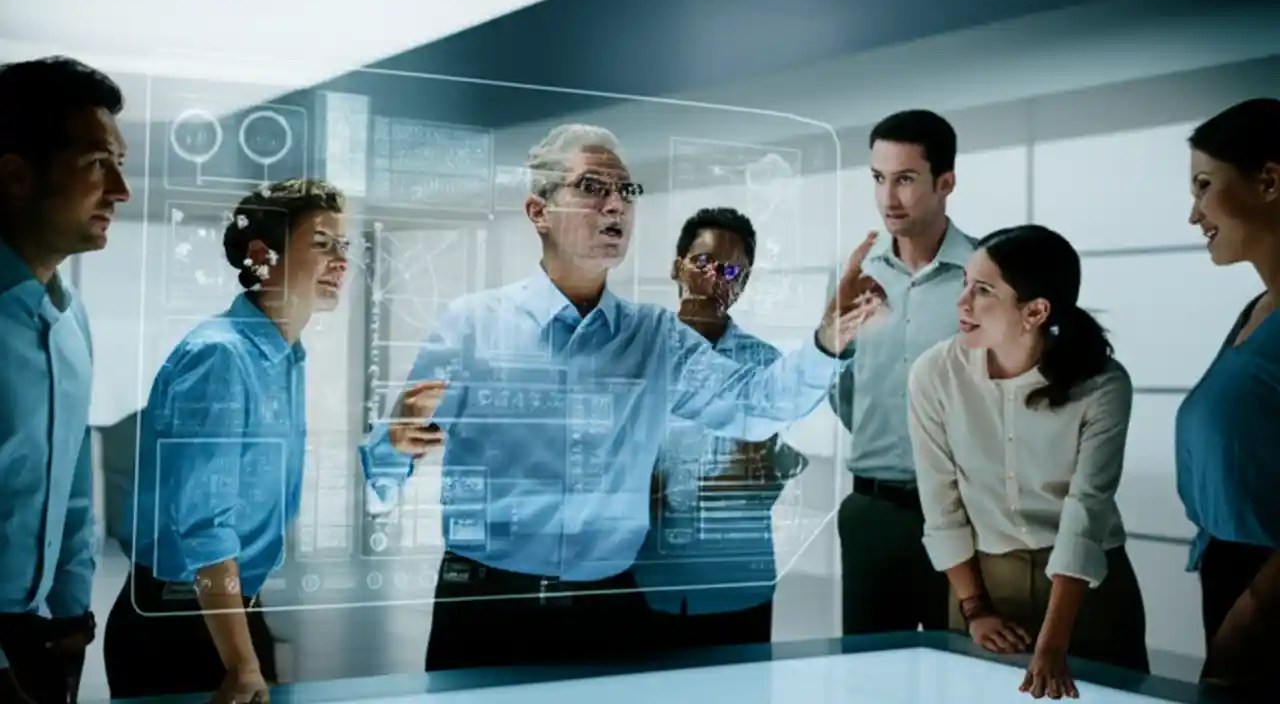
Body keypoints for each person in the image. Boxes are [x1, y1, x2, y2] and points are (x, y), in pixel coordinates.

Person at [362, 123, 879, 672]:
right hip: (486, 610)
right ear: (539, 212)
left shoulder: (655, 338)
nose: (617, 206)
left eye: (626, 192)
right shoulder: (472, 325)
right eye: (592, 188)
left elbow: (754, 406)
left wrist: (829, 339)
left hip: (605, 614)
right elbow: (381, 477)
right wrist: (395, 442)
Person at [103, 179, 349, 703]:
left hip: (228, 614)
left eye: (344, 246)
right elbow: (204, 528)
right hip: (180, 628)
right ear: (262, 256)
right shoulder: (221, 357)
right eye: (324, 243)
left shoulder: (284, 355)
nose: (342, 261)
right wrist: (241, 663)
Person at [907, 224, 1149, 699]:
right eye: (964, 285)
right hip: (984, 583)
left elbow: (1086, 511)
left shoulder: (1102, 385)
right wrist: (975, 609)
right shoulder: (935, 374)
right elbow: (941, 504)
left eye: (983, 291)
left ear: (1035, 311)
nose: (962, 304)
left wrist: (1055, 642)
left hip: (1088, 590)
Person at [0, 56, 131, 704]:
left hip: (47, 641)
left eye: (119, 165)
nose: (120, 192)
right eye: (96, 165)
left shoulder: (69, 315)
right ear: (16, 174)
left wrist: (73, 622)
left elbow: (72, 479)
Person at [630, 207, 809, 651]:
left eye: (731, 271)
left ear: (743, 285)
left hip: (734, 584)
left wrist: (765, 473)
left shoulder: (767, 365)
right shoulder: (631, 354)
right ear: (677, 267)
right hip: (641, 579)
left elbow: (783, 465)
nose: (715, 279)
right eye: (703, 262)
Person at [828, 109, 973, 635]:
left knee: (955, 674)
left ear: (946, 182)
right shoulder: (854, 275)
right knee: (866, 679)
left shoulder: (982, 275)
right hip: (871, 513)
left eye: (906, 179)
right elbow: (841, 389)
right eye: (879, 178)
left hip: (961, 516)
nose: (888, 197)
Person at [1178, 98, 1280, 697]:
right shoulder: (1256, 311)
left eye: (1204, 187)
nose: (1195, 214)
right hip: (1233, 575)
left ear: (1269, 181)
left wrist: (1252, 613)